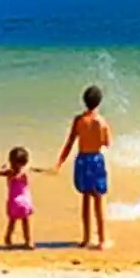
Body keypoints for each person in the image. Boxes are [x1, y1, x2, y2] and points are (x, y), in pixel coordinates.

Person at [55, 85, 113, 250]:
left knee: (86, 199)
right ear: (99, 102)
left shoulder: (78, 120)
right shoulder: (100, 122)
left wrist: (60, 162)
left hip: (81, 160)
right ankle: (102, 240)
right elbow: (107, 142)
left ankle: (86, 238)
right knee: (99, 200)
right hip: (95, 160)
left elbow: (70, 142)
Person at [0, 147, 37, 249]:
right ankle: (28, 241)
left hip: (14, 201)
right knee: (25, 221)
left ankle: (8, 238)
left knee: (12, 221)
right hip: (25, 201)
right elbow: (34, 169)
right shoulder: (25, 171)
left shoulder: (10, 172)